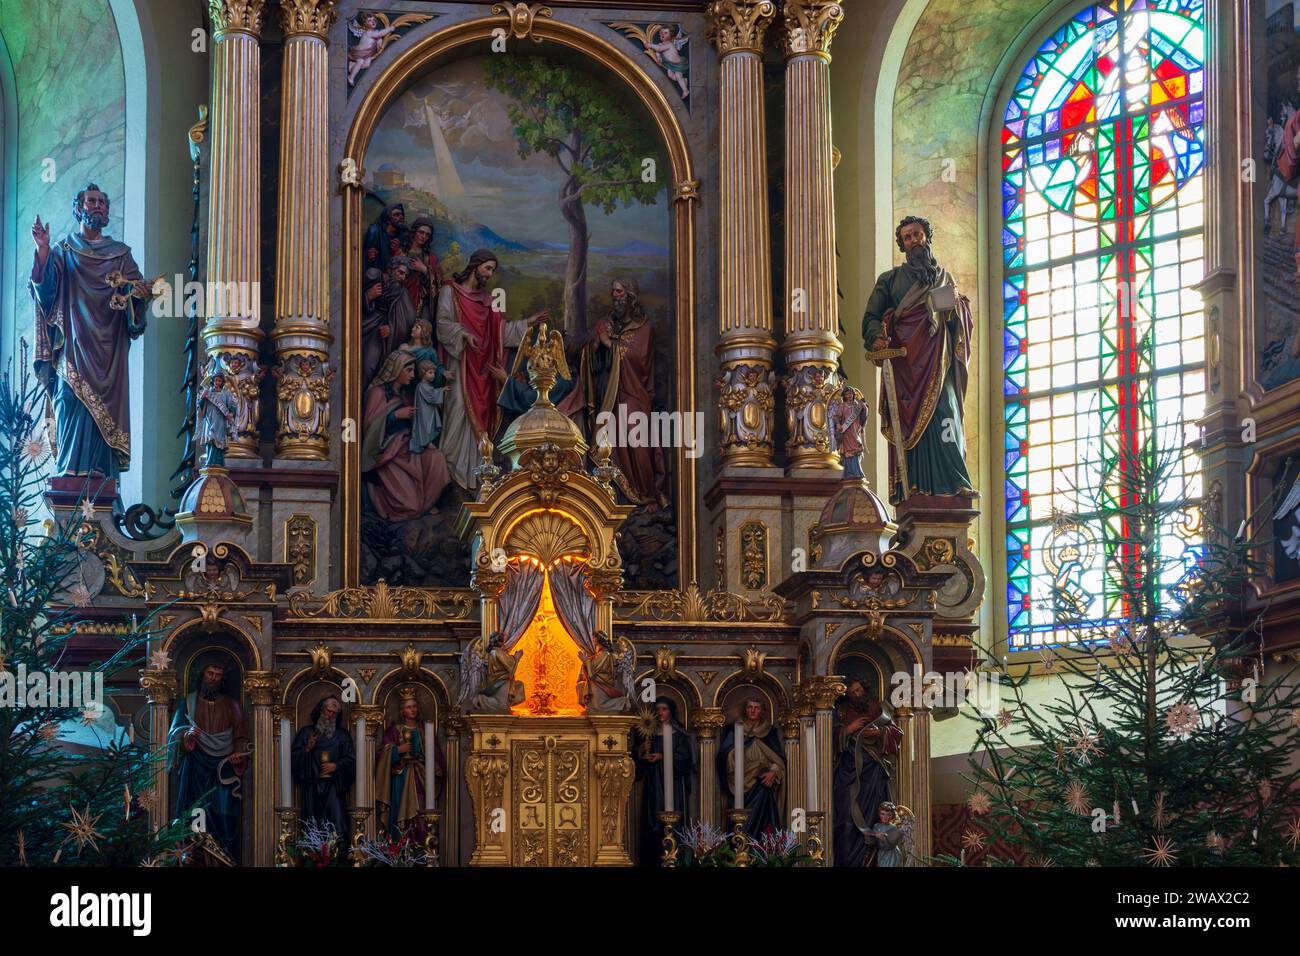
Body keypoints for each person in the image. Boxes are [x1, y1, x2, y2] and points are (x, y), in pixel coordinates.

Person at [30, 183, 153, 479]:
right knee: (69, 400)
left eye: (102, 202)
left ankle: (102, 477)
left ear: (107, 211)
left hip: (108, 349)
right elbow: (45, 293)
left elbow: (136, 294)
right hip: (73, 342)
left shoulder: (121, 254)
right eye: (91, 201)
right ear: (79, 209)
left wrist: (137, 292)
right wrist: (43, 250)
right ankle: (69, 473)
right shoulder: (64, 250)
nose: (97, 206)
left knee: (105, 411)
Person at [862, 216, 975, 502]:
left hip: (940, 362)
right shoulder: (889, 280)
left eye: (918, 234)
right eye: (908, 237)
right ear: (902, 244)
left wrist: (957, 308)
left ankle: (954, 483)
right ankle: (914, 487)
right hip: (905, 366)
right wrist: (877, 336)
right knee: (910, 423)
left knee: (946, 415)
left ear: (927, 237)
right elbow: (872, 317)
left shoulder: (944, 278)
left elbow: (958, 321)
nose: (914, 240)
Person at [559, 278, 668, 508]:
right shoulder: (605, 323)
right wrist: (596, 345)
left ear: (630, 296)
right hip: (607, 396)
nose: (614, 297)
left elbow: (639, 359)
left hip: (634, 393)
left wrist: (609, 343)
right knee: (608, 441)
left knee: (636, 439)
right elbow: (588, 356)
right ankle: (617, 496)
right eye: (613, 292)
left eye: (619, 292)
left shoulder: (644, 328)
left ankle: (644, 493)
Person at [168, 662, 249, 860]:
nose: (213, 678)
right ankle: (197, 857)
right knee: (195, 810)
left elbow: (241, 737)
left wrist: (238, 755)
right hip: (195, 765)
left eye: (217, 675)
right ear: (202, 675)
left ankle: (224, 858)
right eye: (210, 673)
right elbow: (174, 734)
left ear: (222, 679)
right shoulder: (188, 702)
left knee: (224, 814)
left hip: (224, 769)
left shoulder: (232, 705)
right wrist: (187, 736)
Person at [360, 350, 451, 521]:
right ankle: (385, 499)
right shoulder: (378, 393)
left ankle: (427, 503)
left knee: (436, 459)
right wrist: (395, 416)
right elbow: (370, 429)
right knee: (410, 506)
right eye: (408, 370)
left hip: (410, 447)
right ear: (396, 369)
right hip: (388, 455)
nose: (412, 375)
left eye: (413, 371)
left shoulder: (407, 395)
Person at [832, 678, 902, 867]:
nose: (856, 694)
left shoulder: (878, 708)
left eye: (858, 690)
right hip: (849, 770)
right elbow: (826, 736)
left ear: (864, 689)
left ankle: (870, 861)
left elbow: (897, 733)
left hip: (873, 770)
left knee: (873, 815)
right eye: (852, 692)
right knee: (846, 817)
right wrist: (849, 729)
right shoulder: (842, 711)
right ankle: (846, 862)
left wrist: (880, 733)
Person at [374, 691, 445, 842]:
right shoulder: (394, 730)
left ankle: (420, 850)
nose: (412, 710)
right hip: (401, 777)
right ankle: (400, 851)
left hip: (420, 777)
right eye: (408, 707)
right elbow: (381, 755)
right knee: (401, 815)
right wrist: (398, 750)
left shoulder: (424, 731)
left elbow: (435, 755)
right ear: (402, 710)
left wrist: (435, 766)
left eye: (414, 706)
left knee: (420, 816)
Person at [633, 697, 694, 866]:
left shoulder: (679, 733)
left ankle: (676, 859)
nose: (660, 712)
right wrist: (642, 751)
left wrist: (663, 756)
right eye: (658, 709)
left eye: (664, 709)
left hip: (673, 783)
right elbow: (637, 761)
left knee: (675, 822)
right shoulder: (649, 733)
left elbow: (686, 760)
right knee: (653, 822)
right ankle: (653, 861)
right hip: (654, 782)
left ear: (671, 711)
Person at [717, 698, 785, 836]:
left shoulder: (769, 732)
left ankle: (761, 851)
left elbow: (779, 761)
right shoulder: (734, 730)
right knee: (739, 824)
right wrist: (734, 756)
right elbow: (722, 757)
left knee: (762, 827)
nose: (753, 711)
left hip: (761, 786)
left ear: (763, 711)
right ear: (745, 709)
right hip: (738, 785)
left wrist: (774, 772)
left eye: (757, 708)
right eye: (750, 707)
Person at [290, 696, 355, 840]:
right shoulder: (306, 733)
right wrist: (307, 748)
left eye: (334, 713)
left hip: (334, 787)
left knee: (337, 824)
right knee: (313, 826)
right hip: (312, 787)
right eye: (328, 711)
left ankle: (338, 856)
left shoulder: (342, 736)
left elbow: (351, 761)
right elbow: (294, 759)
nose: (330, 715)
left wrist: (336, 765)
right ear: (321, 709)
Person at [576, 631, 632, 713]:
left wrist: (586, 661)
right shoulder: (600, 655)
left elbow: (592, 675)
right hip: (597, 684)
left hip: (601, 685)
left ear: (600, 642)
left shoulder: (604, 655)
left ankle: (622, 702)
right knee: (582, 688)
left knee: (599, 707)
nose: (594, 645)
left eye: (595, 642)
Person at [197, 371, 239, 468]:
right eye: (216, 380)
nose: (217, 382)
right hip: (209, 418)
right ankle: (210, 460)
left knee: (218, 438)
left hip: (220, 420)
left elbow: (232, 404)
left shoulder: (226, 393)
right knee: (210, 438)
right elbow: (201, 405)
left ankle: (218, 461)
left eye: (220, 381)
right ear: (213, 381)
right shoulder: (208, 392)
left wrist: (231, 413)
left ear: (222, 382)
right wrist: (202, 399)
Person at [828, 385, 869, 480]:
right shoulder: (842, 406)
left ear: (853, 394)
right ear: (844, 395)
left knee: (857, 446)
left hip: (855, 429)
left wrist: (865, 408)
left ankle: (857, 471)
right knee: (847, 451)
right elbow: (836, 416)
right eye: (847, 394)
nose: (849, 395)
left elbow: (864, 416)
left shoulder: (857, 405)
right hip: (846, 432)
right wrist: (838, 424)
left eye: (850, 393)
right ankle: (848, 472)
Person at [409, 359, 449, 454]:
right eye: (430, 372)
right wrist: (442, 390)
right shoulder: (422, 386)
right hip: (424, 413)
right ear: (423, 373)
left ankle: (428, 442)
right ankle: (426, 442)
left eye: (434, 373)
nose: (433, 375)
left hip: (428, 411)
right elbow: (431, 397)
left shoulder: (425, 385)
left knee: (428, 427)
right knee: (426, 427)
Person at [863, 802, 905, 867]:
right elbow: (873, 841)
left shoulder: (894, 828)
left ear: (892, 816)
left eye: (888, 815)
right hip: (881, 853)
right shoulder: (876, 826)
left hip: (892, 854)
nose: (885, 817)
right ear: (879, 814)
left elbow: (892, 845)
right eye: (883, 814)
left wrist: (883, 838)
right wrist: (870, 836)